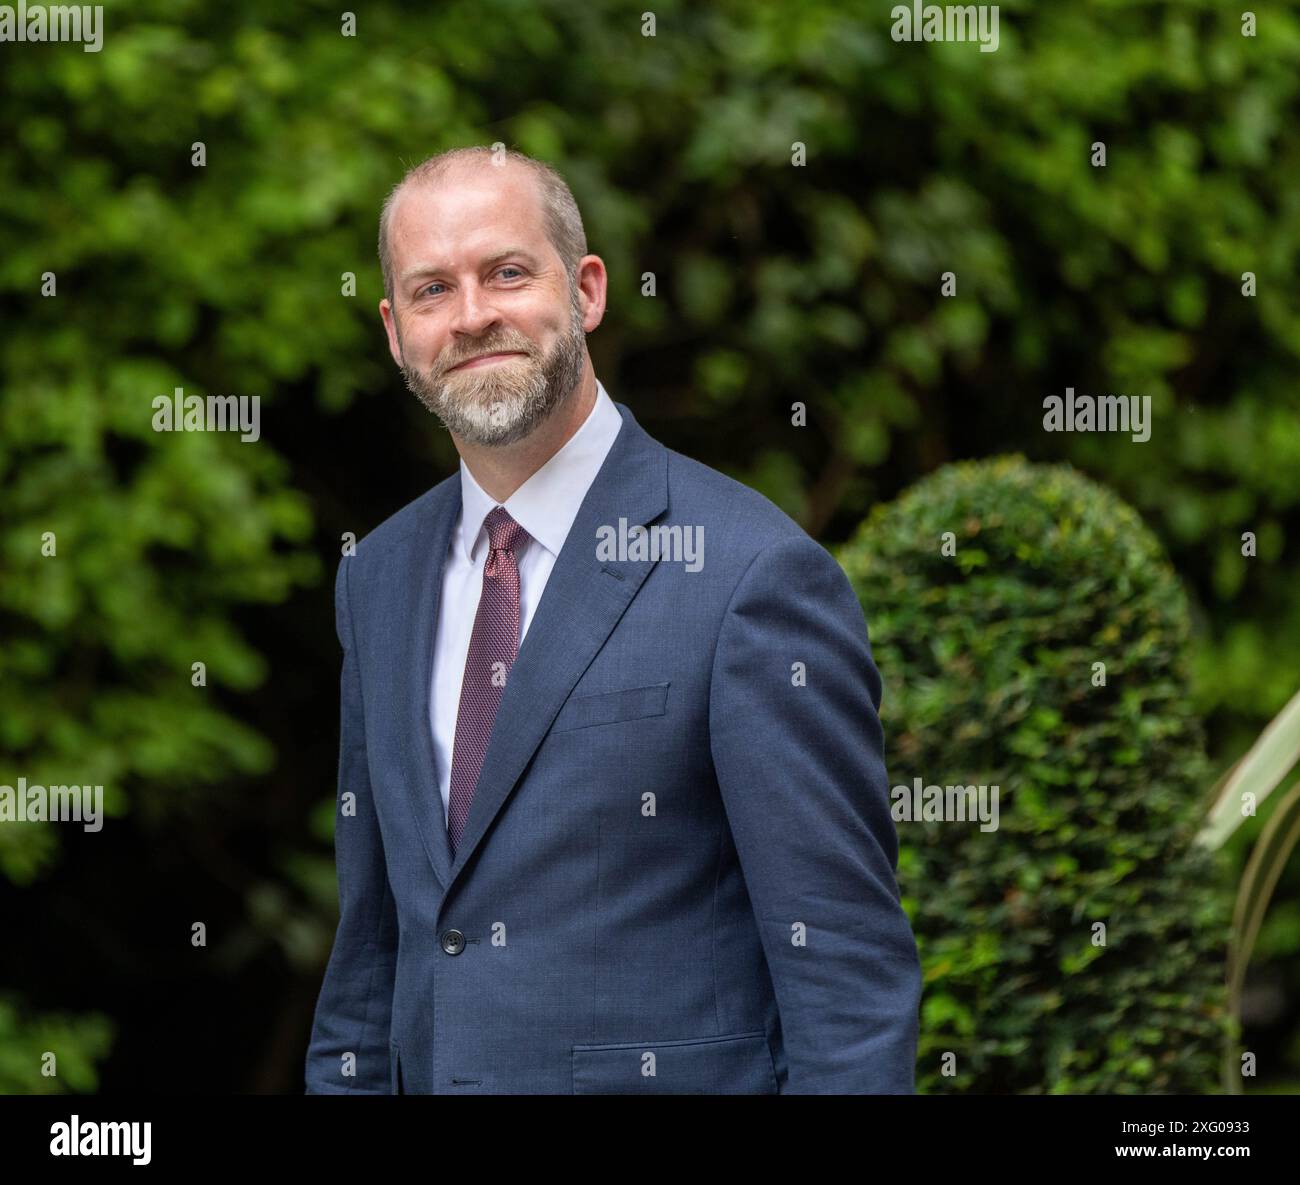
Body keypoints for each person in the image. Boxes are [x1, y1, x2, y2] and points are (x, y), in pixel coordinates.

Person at [303, 146, 921, 1094]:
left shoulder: (751, 575)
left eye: (508, 273)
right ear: (395, 331)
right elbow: (369, 959)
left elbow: (848, 986)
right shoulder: (376, 578)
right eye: (433, 289)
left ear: (586, 290)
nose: (472, 316)